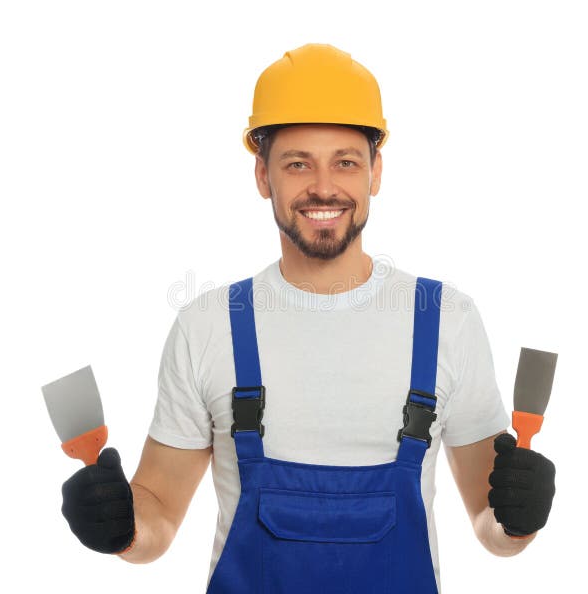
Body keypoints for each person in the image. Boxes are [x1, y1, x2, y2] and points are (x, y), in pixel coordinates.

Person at [60, 43, 556, 593]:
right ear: (262, 175)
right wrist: (120, 526)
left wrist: (520, 518)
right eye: (298, 164)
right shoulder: (208, 326)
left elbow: (491, 526)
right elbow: (158, 511)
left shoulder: (446, 321)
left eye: (346, 162)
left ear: (376, 172)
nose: (323, 187)